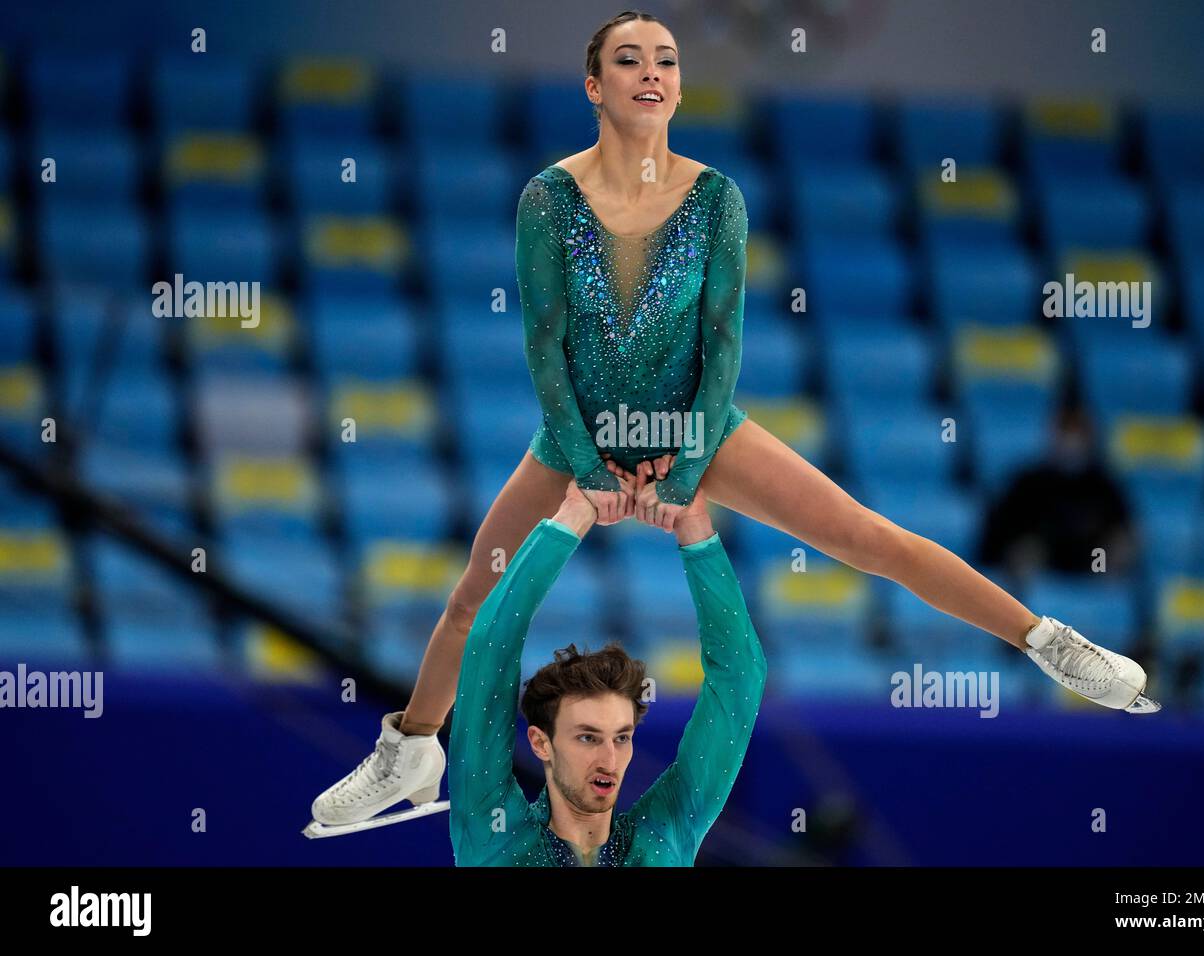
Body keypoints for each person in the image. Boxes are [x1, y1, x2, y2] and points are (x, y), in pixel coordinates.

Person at [310, 8, 1158, 835]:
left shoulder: (716, 199)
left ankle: (1048, 640)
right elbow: (545, 341)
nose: (652, 73)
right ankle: (411, 751)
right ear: (593, 86)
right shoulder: (549, 198)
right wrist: (586, 459)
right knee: (471, 596)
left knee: (870, 539)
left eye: (667, 60)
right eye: (631, 60)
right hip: (578, 432)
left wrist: (682, 464)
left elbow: (723, 342)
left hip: (697, 427)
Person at [447, 480, 763, 865]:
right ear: (541, 742)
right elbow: (491, 642)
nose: (609, 760)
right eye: (588, 737)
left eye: (622, 737)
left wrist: (695, 526)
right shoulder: (493, 833)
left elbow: (740, 677)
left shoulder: (663, 837)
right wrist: (573, 515)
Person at [979, 404, 1137, 578]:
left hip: (1090, 571)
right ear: (1052, 435)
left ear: (1090, 437)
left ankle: (1101, 603)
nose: (1071, 442)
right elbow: (996, 537)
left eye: (1077, 433)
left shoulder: (1105, 485)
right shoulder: (1028, 483)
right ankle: (1027, 601)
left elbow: (1125, 531)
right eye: (1065, 431)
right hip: (1039, 573)